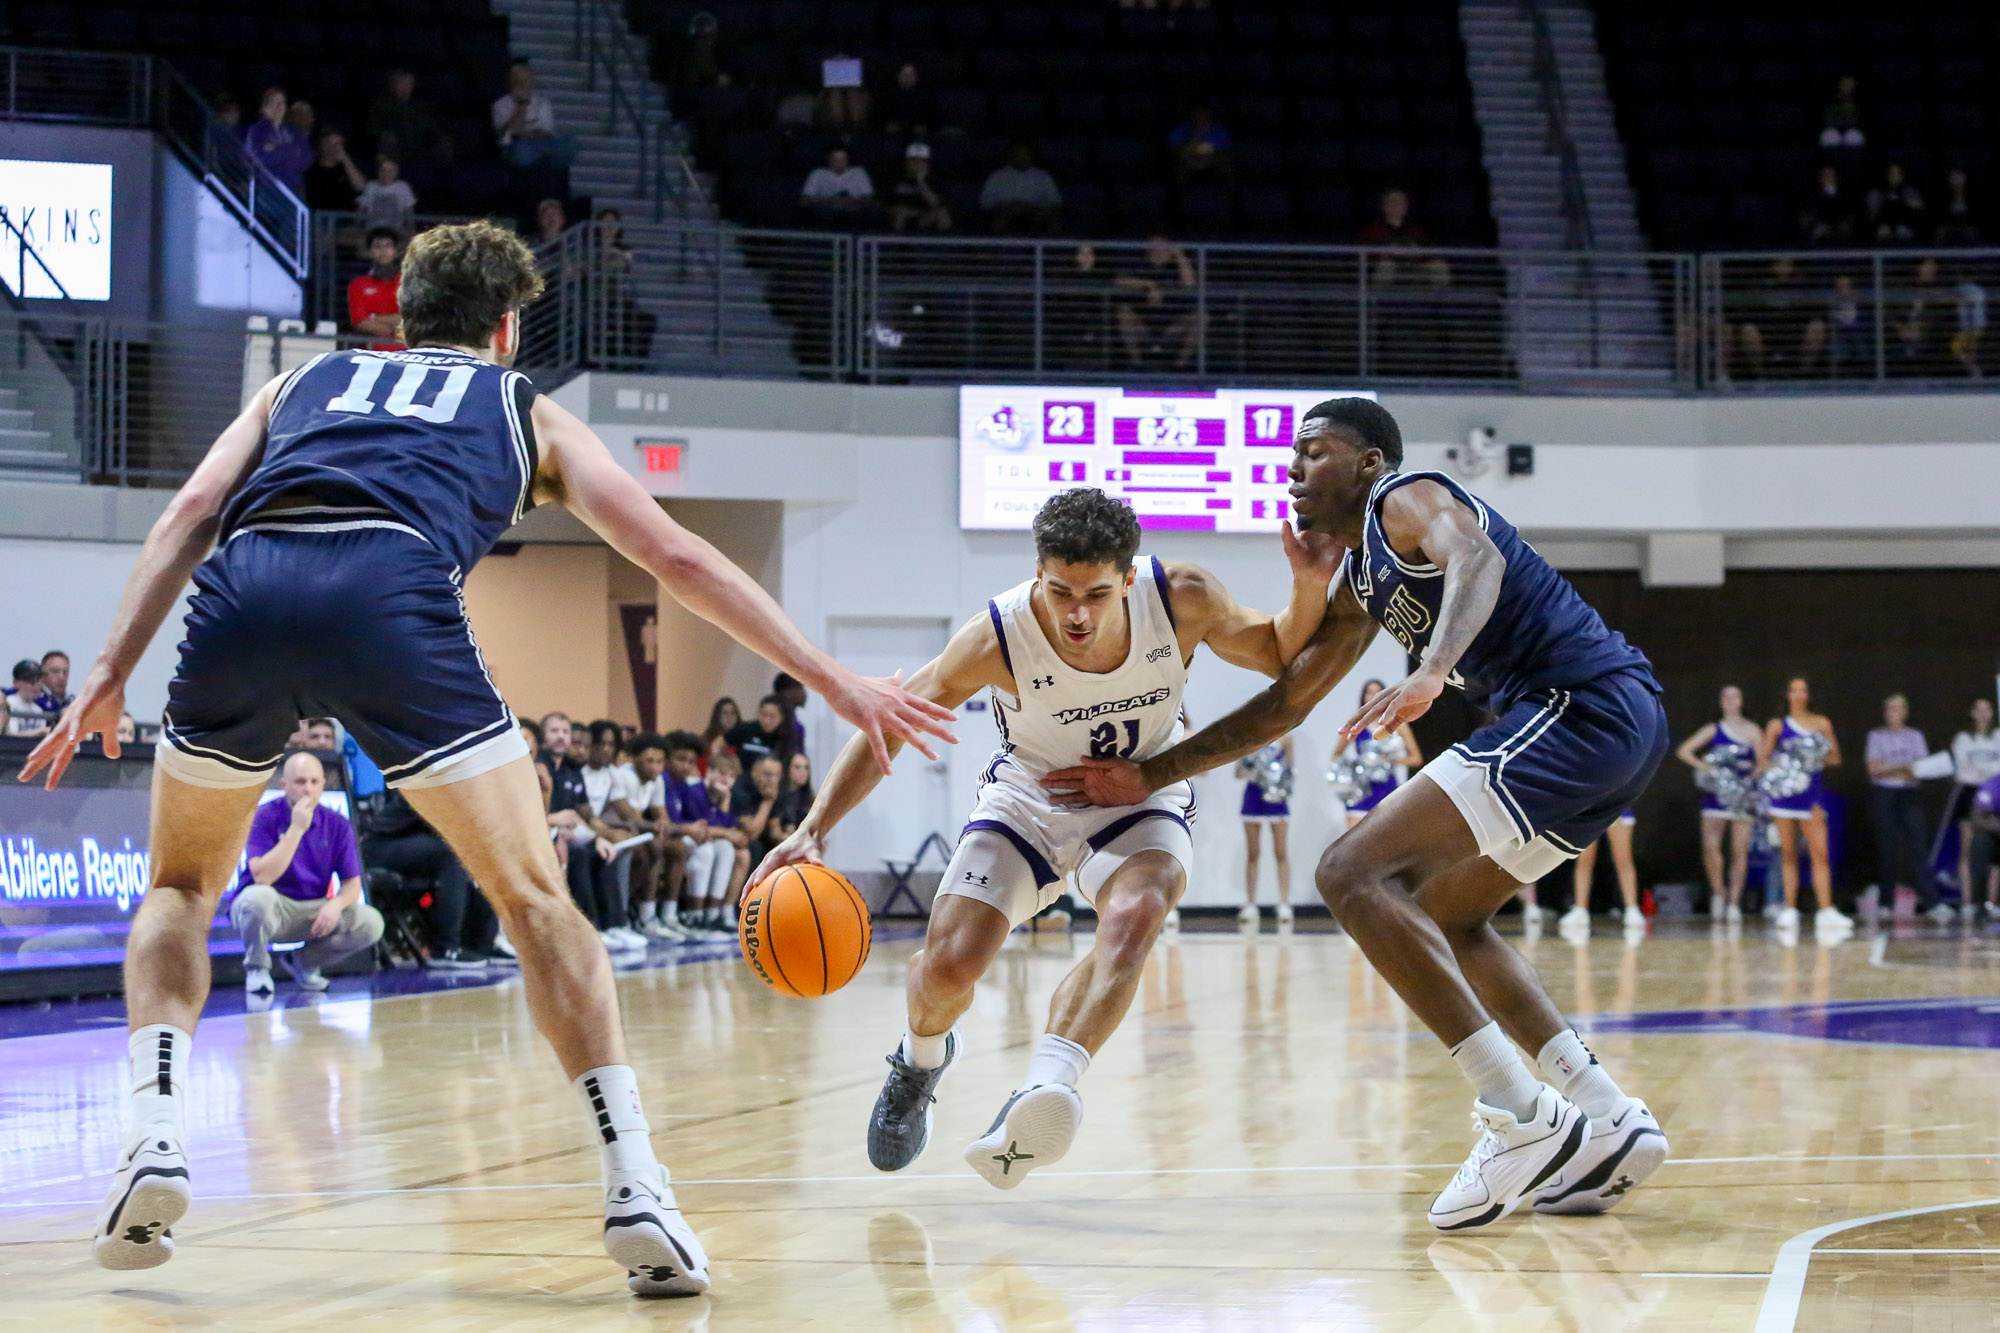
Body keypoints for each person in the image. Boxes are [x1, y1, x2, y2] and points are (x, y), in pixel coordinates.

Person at [23, 218, 953, 1290]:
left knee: (180, 888)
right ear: (506, 328)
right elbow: (671, 551)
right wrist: (831, 676)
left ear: (397, 315)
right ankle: (636, 1184)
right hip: (390, 591)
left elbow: (190, 512)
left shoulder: (304, 385)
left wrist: (105, 669)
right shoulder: (524, 407)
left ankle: (152, 1140)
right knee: (536, 901)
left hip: (248, 589)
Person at [1039, 399, 1671, 1230]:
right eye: (1291, 457)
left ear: (1369, 461)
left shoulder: (1406, 497)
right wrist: (1147, 774)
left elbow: (1474, 557)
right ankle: (1601, 1107)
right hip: (1612, 729)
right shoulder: (1361, 577)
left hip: (1580, 706)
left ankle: (1518, 1114)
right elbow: (1283, 706)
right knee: (1448, 914)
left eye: (1313, 452)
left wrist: (1433, 670)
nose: (1294, 469)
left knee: (1349, 871)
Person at [758, 486, 1338, 1188]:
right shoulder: (996, 635)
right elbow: (893, 723)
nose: (1077, 613)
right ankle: (920, 1058)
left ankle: (1042, 1089)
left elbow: (1280, 649)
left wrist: (1309, 585)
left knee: (1137, 912)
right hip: (1029, 797)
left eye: (1096, 593)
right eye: (1060, 591)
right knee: (949, 965)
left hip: (1137, 793)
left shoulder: (1181, 596)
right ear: (1038, 570)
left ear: (1129, 578)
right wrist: (813, 829)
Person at [229, 752, 384, 994]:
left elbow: (352, 884)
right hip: (272, 911)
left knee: (371, 923)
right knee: (257, 898)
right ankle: (257, 969)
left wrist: (336, 905)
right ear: (284, 785)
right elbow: (263, 877)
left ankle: (303, 963)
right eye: (300, 782)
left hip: (312, 912)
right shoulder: (264, 816)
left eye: (314, 782)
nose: (308, 789)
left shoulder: (337, 824)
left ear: (323, 785)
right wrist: (297, 828)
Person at [360, 786, 502, 969]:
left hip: (417, 845)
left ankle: (484, 945)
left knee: (479, 852)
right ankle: (445, 948)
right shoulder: (433, 779)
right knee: (453, 854)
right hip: (380, 846)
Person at [1759, 676, 1849, 942]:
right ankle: (1789, 910)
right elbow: (1763, 758)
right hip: (1785, 798)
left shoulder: (1822, 723)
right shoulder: (1777, 725)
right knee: (1787, 853)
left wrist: (1811, 758)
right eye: (1794, 690)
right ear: (1787, 695)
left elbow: (1835, 757)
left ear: (1808, 694)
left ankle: (1826, 910)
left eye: (1803, 690)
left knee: (1819, 853)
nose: (1798, 695)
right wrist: (1783, 771)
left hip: (1811, 796)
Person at [1673, 685, 1765, 925]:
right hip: (1716, 796)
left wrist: (1750, 774)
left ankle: (1734, 901)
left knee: (1739, 849)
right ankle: (1718, 893)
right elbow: (1684, 751)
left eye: (1735, 696)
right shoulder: (1713, 729)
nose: (1731, 700)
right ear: (1721, 701)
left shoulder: (1753, 730)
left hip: (1742, 796)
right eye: (1726, 696)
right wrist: (1707, 767)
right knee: (1711, 845)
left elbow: (1763, 761)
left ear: (1742, 700)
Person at [1866, 693, 1944, 923]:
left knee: (1917, 847)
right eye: (1890, 708)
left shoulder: (1915, 736)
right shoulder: (1876, 735)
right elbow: (1874, 770)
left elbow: (1920, 770)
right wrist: (1903, 768)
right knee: (1886, 849)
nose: (1894, 713)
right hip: (1884, 795)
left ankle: (1931, 902)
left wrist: (1891, 768)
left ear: (1905, 712)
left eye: (1899, 708)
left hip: (1909, 795)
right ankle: (1885, 903)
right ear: (1885, 712)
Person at [660, 731, 736, 936]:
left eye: (691, 761)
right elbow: (675, 821)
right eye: (681, 759)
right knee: (706, 851)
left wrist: (724, 803)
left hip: (683, 833)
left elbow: (716, 824)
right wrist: (698, 829)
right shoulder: (667, 781)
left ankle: (710, 915)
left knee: (726, 848)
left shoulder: (683, 784)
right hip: (671, 836)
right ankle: (692, 915)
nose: (686, 766)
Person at [1330, 679, 1423, 832]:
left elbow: (1416, 758)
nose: (1373, 696)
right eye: (1369, 693)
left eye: (1377, 692)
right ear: (1363, 697)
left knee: (1387, 844)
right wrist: (1353, 768)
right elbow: (1336, 756)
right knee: (1353, 845)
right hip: (1360, 790)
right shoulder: (1356, 724)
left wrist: (1390, 760)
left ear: (1385, 696)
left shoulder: (1398, 724)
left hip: (1387, 790)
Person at [1111, 237, 1201, 370]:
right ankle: (1137, 365)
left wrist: (1180, 256)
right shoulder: (1140, 265)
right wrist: (1148, 285)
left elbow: (1190, 284)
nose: (1158, 252)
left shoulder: (1176, 266)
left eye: (1162, 248)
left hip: (1171, 330)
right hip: (1144, 328)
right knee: (1123, 312)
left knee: (1200, 317)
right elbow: (1118, 281)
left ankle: (1179, 367)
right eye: (1154, 248)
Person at [1948, 699, 2000, 915]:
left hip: (1996, 793)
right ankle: (1968, 903)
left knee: (1995, 852)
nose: (1983, 714)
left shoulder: (1997, 737)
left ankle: (1991, 902)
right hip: (1970, 794)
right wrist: (1986, 771)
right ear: (1972, 713)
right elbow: (1962, 770)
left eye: (1987, 709)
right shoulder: (1963, 739)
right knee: (1967, 850)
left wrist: (1984, 772)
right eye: (1978, 709)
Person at [1236, 736, 1294, 929]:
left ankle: (1284, 904)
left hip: (1277, 800)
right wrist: (1251, 768)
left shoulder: (1286, 738)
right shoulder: (1248, 738)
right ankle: (1251, 904)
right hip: (1253, 798)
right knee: (1253, 854)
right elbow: (1238, 772)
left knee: (1281, 853)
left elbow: (1291, 770)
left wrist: (1277, 777)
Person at [1567, 812, 1644, 939]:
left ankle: (1632, 909)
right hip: (1591, 808)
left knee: (1623, 858)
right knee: (1584, 859)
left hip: (1618, 807)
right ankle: (1580, 909)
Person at [492, 61, 576, 171]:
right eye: (520, 81)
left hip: (540, 144)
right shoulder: (500, 105)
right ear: (513, 82)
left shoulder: (542, 103)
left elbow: (546, 132)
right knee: (521, 148)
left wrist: (524, 134)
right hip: (516, 148)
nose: (525, 85)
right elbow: (507, 136)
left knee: (570, 141)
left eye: (527, 81)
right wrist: (522, 105)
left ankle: (550, 169)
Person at [979, 143, 1062, 235]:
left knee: (1053, 221)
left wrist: (1035, 209)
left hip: (1035, 214)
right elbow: (985, 203)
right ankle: (997, 248)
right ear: (1012, 155)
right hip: (1005, 214)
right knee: (999, 221)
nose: (1022, 157)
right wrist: (1007, 206)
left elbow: (1055, 202)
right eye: (1018, 153)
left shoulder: (1043, 176)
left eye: (1025, 154)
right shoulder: (996, 176)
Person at [243, 87, 311, 195]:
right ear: (264, 108)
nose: (279, 107)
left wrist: (276, 149)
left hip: (295, 188)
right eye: (275, 103)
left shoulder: (295, 132)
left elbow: (306, 159)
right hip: (268, 189)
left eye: (282, 103)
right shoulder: (256, 130)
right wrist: (290, 152)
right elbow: (256, 157)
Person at [347, 229, 403, 351]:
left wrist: (374, 317)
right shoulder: (358, 285)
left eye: (388, 246)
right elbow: (360, 321)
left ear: (396, 251)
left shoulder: (407, 283)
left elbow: (407, 319)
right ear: (369, 252)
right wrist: (392, 327)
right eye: (378, 246)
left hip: (406, 353)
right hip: (370, 354)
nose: (383, 251)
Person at [799, 147, 878, 224]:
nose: (839, 163)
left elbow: (869, 198)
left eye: (842, 159)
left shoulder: (858, 172)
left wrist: (853, 202)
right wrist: (829, 201)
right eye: (835, 160)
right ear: (829, 160)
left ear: (848, 160)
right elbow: (804, 200)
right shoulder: (817, 173)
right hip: (826, 212)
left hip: (854, 212)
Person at [888, 143, 952, 233]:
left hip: (923, 217)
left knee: (942, 214)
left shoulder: (934, 180)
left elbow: (935, 203)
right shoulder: (895, 179)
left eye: (922, 160)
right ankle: (896, 245)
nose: (918, 164)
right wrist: (902, 211)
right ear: (906, 162)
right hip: (899, 216)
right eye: (913, 160)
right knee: (900, 214)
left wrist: (920, 181)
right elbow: (885, 204)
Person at [302, 130, 366, 212]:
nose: (336, 148)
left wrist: (345, 160)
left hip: (345, 220)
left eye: (339, 144)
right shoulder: (311, 169)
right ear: (322, 145)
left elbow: (361, 187)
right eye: (332, 144)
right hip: (318, 219)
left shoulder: (348, 167)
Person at [1168, 105, 1232, 187]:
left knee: (1226, 168)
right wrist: (1201, 149)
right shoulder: (1179, 131)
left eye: (1203, 113)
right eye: (1197, 113)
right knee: (1177, 170)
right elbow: (1176, 149)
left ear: (1210, 115)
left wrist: (1197, 150)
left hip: (1212, 162)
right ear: (1191, 115)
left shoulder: (1219, 131)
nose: (1200, 116)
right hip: (1186, 162)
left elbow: (1223, 151)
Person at [726, 695, 797, 768]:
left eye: (772, 716)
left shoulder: (785, 739)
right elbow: (719, 743)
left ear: (781, 718)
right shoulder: (745, 729)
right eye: (764, 715)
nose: (766, 721)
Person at [357, 157, 417, 237]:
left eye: (390, 171)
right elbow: (361, 209)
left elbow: (409, 211)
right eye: (383, 170)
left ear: (396, 172)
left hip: (395, 230)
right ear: (378, 172)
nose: (386, 174)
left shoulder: (403, 187)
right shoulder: (371, 186)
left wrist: (410, 228)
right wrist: (358, 226)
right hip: (372, 229)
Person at [770, 750, 814, 841]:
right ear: (787, 769)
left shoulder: (809, 797)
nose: (803, 772)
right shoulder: (777, 793)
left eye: (806, 768)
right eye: (797, 767)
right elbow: (774, 829)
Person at [5, 659, 48, 736]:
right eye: (31, 681)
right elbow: (10, 736)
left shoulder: (38, 710)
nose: (36, 686)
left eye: (39, 681)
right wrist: (39, 731)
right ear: (16, 683)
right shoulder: (9, 703)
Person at [702, 696, 740, 769]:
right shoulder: (706, 741)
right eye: (724, 713)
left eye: (733, 713)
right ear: (717, 716)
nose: (729, 717)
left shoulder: (742, 741)